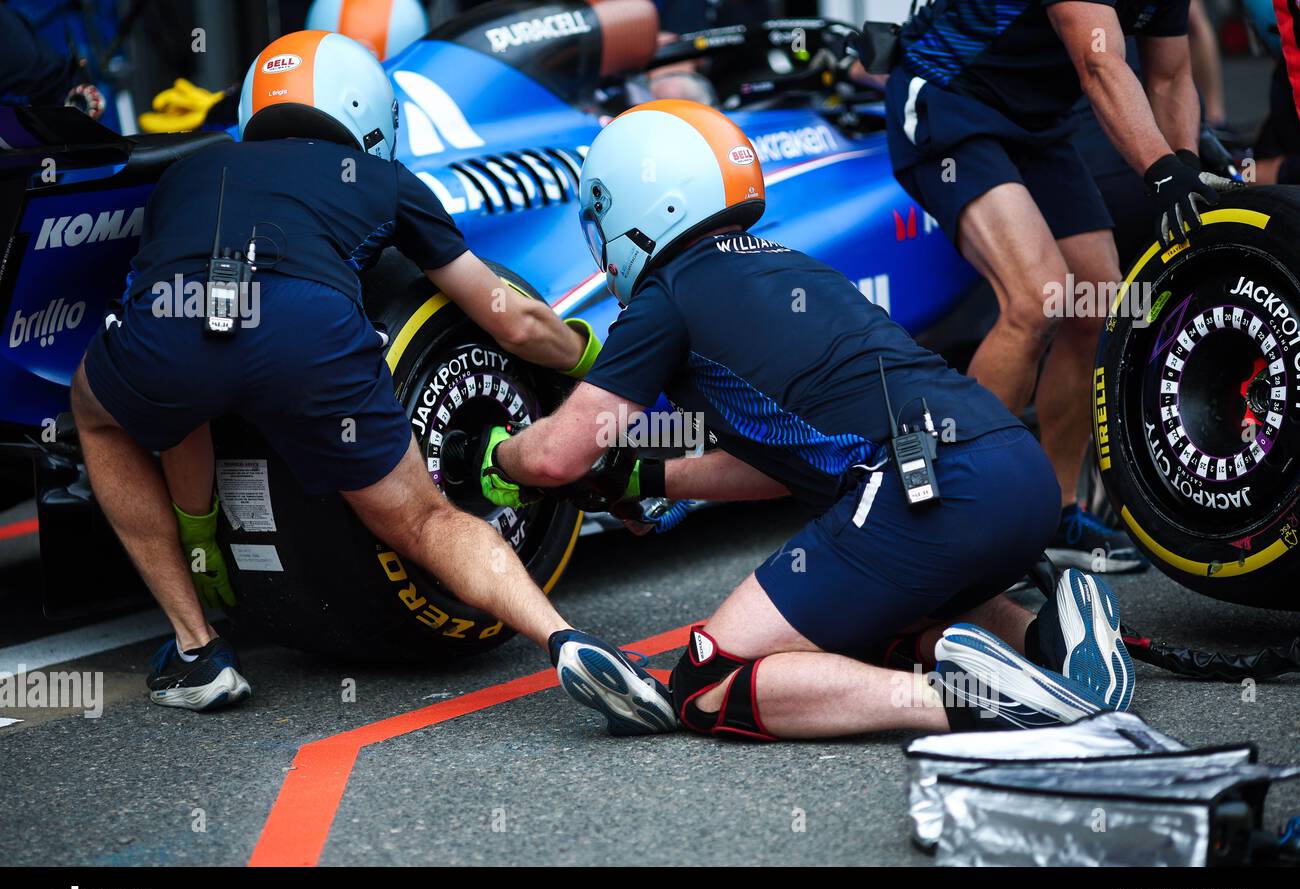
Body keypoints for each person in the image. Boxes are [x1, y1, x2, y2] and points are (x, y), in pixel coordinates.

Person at [69, 29, 674, 732]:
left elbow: (195, 380)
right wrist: (595, 360)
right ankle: (564, 640)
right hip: (308, 331)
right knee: (426, 519)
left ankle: (196, 648)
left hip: (181, 317)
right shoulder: (386, 180)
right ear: (369, 116)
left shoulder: (191, 173)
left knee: (99, 414)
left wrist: (203, 536)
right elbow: (511, 323)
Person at [475, 101, 1136, 740]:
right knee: (878, 622)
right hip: (1010, 470)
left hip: (929, 490)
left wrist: (497, 457)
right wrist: (650, 478)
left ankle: (976, 704)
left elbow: (557, 456)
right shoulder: (791, 265)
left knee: (709, 680)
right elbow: (790, 463)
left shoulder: (666, 296)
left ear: (649, 206)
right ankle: (1049, 637)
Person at [882, 0, 1235, 574]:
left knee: (1095, 305)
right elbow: (1098, 66)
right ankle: (953, 527)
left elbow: (1170, 76)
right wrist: (1162, 173)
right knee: (1038, 297)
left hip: (1038, 126)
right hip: (949, 97)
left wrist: (1186, 164)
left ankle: (1051, 514)